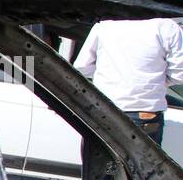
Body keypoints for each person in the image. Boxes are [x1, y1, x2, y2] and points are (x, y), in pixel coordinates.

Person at [73, 18, 183, 146]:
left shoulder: (104, 26)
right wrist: (151, 83)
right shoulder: (167, 27)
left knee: (99, 162)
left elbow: (82, 67)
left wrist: (110, 79)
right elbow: (179, 74)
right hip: (144, 113)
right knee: (141, 165)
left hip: (103, 109)